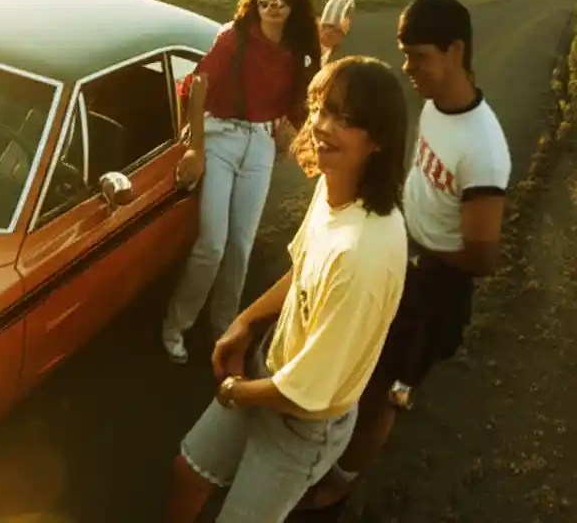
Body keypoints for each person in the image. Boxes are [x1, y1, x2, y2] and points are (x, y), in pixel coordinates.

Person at [164, 55, 410, 522]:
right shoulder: (338, 185)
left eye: (347, 119)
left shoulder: (362, 255)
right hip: (270, 372)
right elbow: (302, 271)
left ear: (378, 140)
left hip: (302, 423)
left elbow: (307, 394)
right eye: (322, 108)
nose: (323, 127)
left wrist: (235, 391)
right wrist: (244, 322)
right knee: (187, 474)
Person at [298, 0, 511, 510]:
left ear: (455, 51)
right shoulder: (437, 105)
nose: (408, 68)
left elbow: (482, 258)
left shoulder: (484, 151)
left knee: (380, 393)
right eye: (405, 54)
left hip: (432, 288)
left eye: (418, 56)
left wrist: (417, 246)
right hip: (405, 256)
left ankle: (339, 484)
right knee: (360, 364)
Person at [162, 0, 349, 363]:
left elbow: (310, 89)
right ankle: (176, 325)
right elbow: (199, 84)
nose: (274, 5)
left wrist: (327, 46)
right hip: (221, 139)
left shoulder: (296, 50)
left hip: (259, 145)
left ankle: (223, 330)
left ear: (294, 7)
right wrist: (196, 147)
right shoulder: (234, 38)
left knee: (240, 246)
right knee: (212, 245)